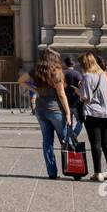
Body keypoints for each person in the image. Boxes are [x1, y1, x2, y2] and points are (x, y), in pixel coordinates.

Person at [30, 46, 73, 179]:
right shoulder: (57, 71)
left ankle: (52, 173)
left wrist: (36, 90)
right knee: (65, 140)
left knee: (47, 142)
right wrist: (67, 113)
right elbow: (61, 94)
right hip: (55, 110)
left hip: (40, 110)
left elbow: (21, 81)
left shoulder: (37, 70)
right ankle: (72, 168)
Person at [78, 50, 107, 182]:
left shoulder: (87, 76)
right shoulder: (103, 76)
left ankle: (98, 173)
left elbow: (86, 98)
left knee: (95, 144)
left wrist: (78, 90)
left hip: (92, 113)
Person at [62, 56, 84, 140]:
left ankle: (69, 140)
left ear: (65, 64)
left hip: (65, 102)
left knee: (68, 122)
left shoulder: (62, 73)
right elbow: (81, 85)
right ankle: (74, 134)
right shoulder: (77, 74)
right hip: (75, 102)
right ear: (73, 64)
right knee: (80, 120)